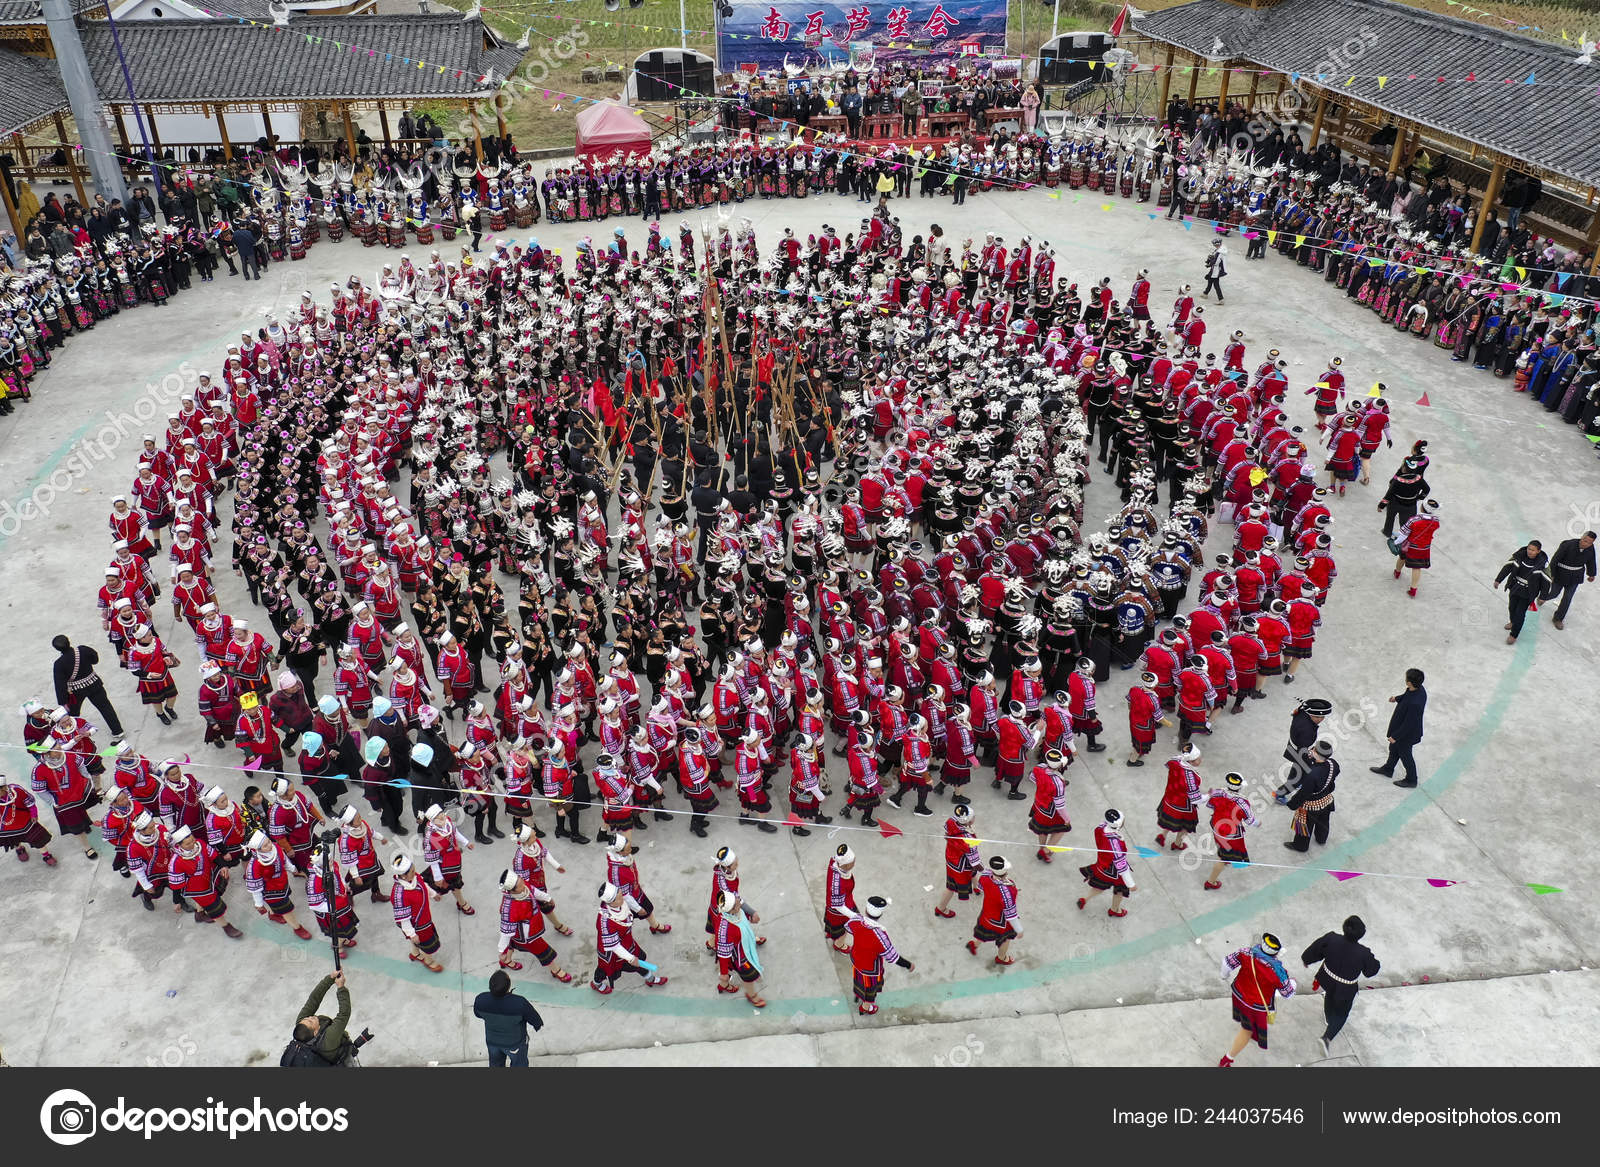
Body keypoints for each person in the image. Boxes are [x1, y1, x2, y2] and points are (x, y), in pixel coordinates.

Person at [1301, 916, 1381, 1057]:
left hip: (1326, 978)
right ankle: (1327, 1038)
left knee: (1329, 996)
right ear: (1361, 934)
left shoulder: (1331, 938)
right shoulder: (1363, 953)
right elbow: (1371, 971)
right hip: (1345, 987)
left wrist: (1306, 959)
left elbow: (1316, 949)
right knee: (1342, 1013)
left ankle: (1328, 1017)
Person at [1217, 932, 1296, 1067]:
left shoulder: (1246, 953)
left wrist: (1224, 976)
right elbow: (1287, 994)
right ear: (1276, 952)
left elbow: (1226, 963)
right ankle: (1227, 1059)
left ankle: (1252, 1030)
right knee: (1246, 1031)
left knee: (1246, 1021)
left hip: (1238, 993)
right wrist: (1293, 983)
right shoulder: (1278, 971)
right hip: (1255, 1006)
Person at [50, 635, 124, 737]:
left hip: (75, 692)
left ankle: (73, 736)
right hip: (93, 683)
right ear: (69, 641)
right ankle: (118, 731)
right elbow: (95, 660)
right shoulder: (83, 650)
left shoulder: (59, 664)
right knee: (105, 707)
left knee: (72, 715)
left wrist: (63, 702)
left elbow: (60, 685)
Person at [472, 967, 546, 1067]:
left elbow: (478, 1014)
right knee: (519, 1064)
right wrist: (537, 1025)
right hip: (514, 1044)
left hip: (492, 1041)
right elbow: (535, 1019)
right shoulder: (519, 1003)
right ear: (508, 987)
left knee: (495, 1064)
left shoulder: (481, 1000)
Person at [1370, 668, 1427, 787]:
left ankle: (1411, 780)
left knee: (1406, 756)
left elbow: (1409, 723)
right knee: (1394, 749)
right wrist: (1397, 698)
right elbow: (1407, 695)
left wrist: (1395, 736)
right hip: (1401, 729)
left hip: (1406, 735)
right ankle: (1388, 769)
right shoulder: (1419, 689)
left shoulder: (1415, 704)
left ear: (1409, 682)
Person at [288, 970, 354, 1066]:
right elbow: (344, 1014)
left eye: (306, 1019)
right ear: (315, 1032)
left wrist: (330, 978)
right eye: (311, 1021)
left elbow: (313, 1000)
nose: (310, 1017)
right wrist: (341, 987)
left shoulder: (301, 1025)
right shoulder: (330, 1038)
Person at [1493, 540, 1552, 643]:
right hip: (1515, 587)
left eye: (1533, 550)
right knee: (1512, 607)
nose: (1530, 552)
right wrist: (1498, 580)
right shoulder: (1519, 556)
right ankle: (1512, 622)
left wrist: (1543, 596)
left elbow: (1546, 581)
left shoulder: (1543, 564)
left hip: (1528, 592)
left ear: (1538, 551)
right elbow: (1507, 567)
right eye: (1529, 549)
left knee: (1520, 613)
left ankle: (1514, 635)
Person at [1284, 738, 1337, 852]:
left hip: (1312, 805)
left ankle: (1300, 846)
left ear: (1316, 753)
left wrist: (1292, 804)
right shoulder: (1333, 764)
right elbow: (1332, 777)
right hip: (1326, 800)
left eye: (1314, 749)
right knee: (1323, 821)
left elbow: (1304, 793)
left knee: (1305, 826)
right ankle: (1321, 838)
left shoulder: (1312, 775)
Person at [1548, 531, 1597, 630]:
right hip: (1561, 574)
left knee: (1568, 597)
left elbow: (1591, 561)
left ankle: (1558, 619)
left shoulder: (1591, 549)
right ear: (1581, 538)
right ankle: (1542, 597)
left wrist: (1591, 574)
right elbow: (1555, 559)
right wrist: (1551, 574)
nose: (1585, 544)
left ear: (1592, 543)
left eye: (1589, 543)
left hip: (1575, 576)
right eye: (1584, 540)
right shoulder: (1568, 545)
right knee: (1553, 593)